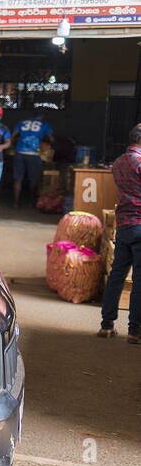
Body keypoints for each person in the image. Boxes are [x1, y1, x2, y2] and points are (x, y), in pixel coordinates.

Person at [98, 123, 141, 344]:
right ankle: (134, 331)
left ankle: (107, 325)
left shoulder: (118, 163)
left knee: (116, 276)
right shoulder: (139, 162)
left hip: (125, 224)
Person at [11, 111, 53, 210]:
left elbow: (13, 136)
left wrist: (14, 145)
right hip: (34, 154)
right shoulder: (45, 124)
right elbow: (51, 139)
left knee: (18, 179)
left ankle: (15, 203)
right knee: (33, 179)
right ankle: (31, 202)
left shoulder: (22, 122)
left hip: (20, 152)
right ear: (42, 116)